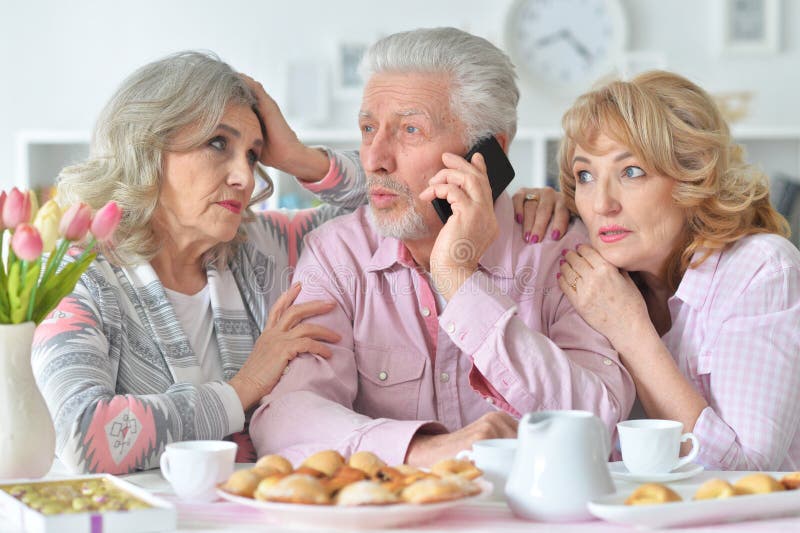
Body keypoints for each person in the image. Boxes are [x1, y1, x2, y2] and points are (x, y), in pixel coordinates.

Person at [249, 27, 635, 467]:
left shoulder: (561, 252)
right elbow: (284, 419)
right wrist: (422, 450)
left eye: (410, 130)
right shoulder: (337, 256)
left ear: (487, 153)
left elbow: (597, 425)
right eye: (368, 128)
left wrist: (460, 279)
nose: (375, 158)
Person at [31, 51, 368, 474]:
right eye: (217, 143)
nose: (244, 178)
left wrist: (299, 158)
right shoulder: (75, 277)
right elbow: (80, 436)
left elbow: (395, 203)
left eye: (251, 154)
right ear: (147, 146)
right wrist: (242, 388)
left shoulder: (267, 245)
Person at [515, 70, 800, 470]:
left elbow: (742, 476)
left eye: (631, 171)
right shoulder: (591, 273)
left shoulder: (761, 270)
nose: (601, 204)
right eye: (585, 175)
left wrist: (629, 331)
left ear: (693, 178)